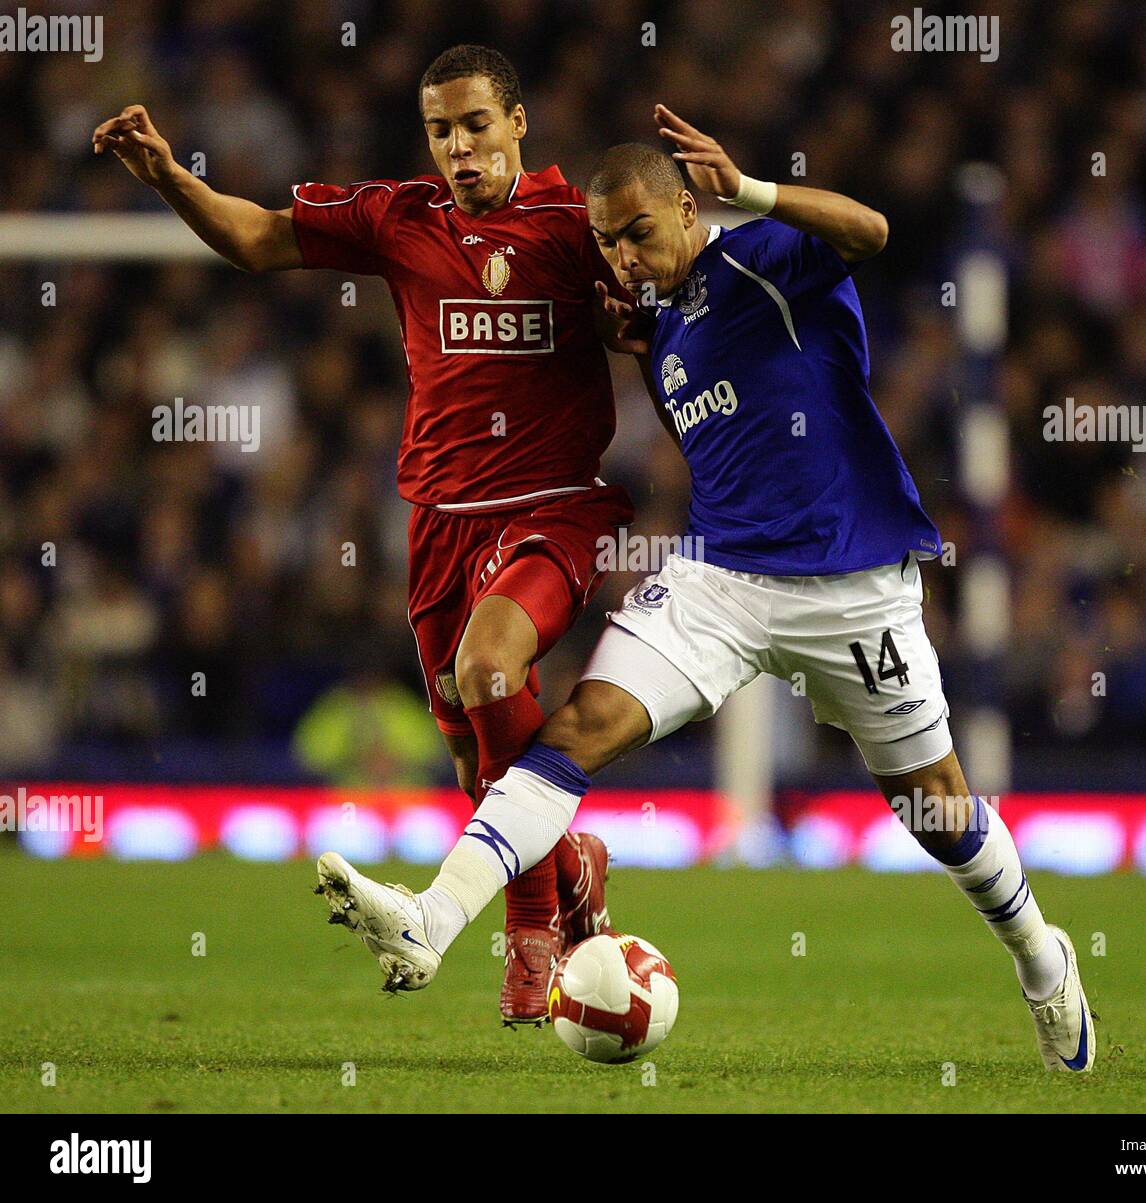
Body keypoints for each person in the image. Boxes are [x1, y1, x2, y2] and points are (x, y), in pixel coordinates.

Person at [315, 107, 1096, 1071]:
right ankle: (429, 921)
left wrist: (755, 190)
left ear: (691, 209)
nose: (625, 256)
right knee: (575, 728)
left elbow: (874, 232)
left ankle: (1039, 954)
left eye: (640, 231)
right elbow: (715, 449)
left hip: (851, 586)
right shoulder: (666, 329)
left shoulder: (765, 256)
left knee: (935, 809)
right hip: (718, 581)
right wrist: (644, 351)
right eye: (607, 242)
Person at [93, 44, 635, 1025]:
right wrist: (172, 176)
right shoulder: (401, 218)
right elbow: (260, 239)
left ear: (518, 123)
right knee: (481, 773)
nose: (459, 148)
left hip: (553, 507)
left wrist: (643, 318)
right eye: (440, 131)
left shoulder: (574, 224)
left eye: (476, 125)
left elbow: (670, 280)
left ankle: (530, 933)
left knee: (490, 670)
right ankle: (573, 872)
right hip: (435, 525)